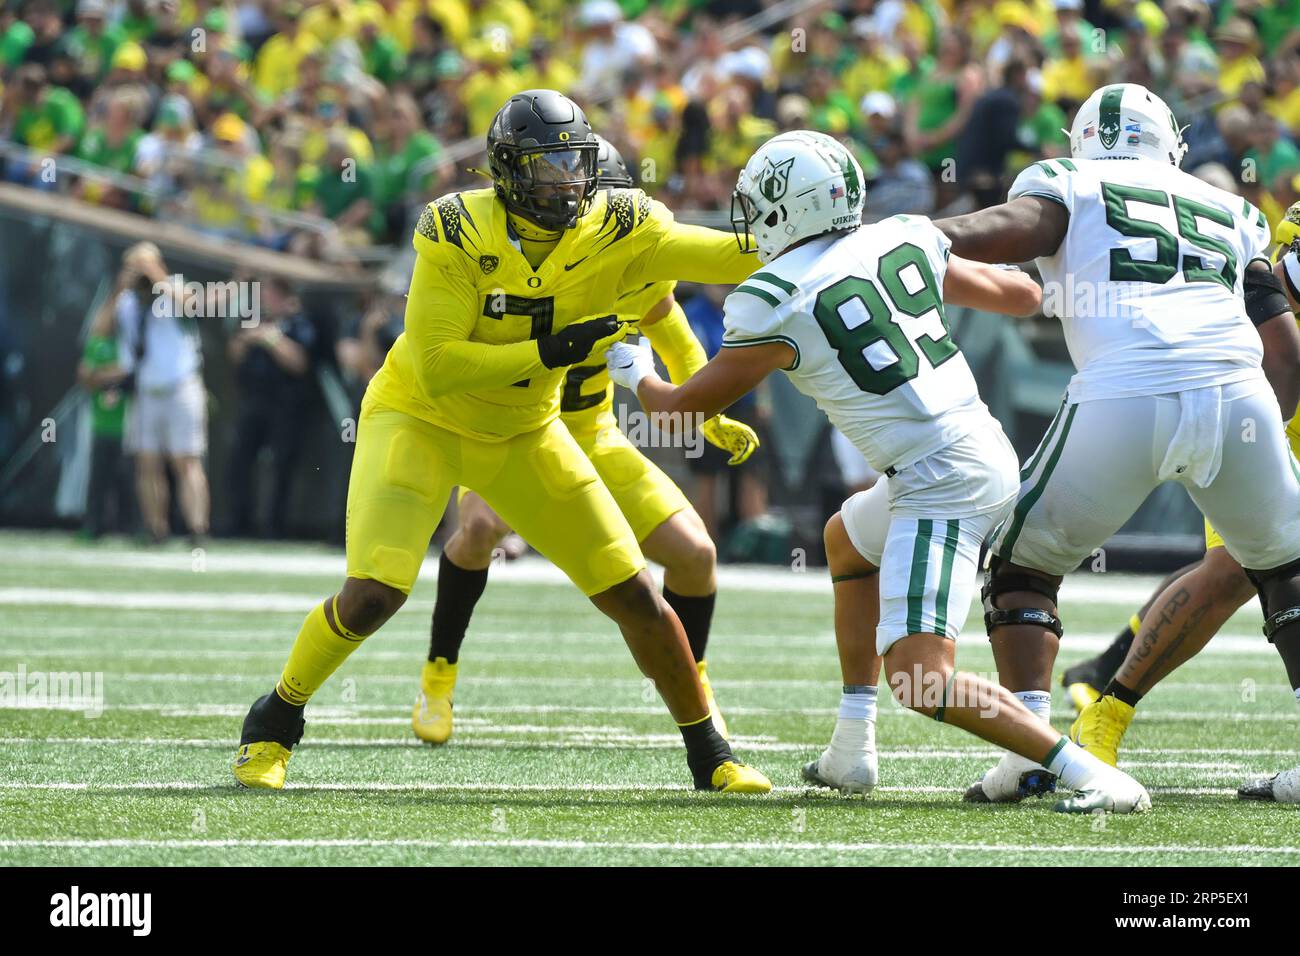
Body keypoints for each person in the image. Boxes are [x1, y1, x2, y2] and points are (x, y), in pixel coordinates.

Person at [231, 90, 771, 795]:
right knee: (372, 595)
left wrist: (826, 242)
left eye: (574, 166)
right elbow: (439, 366)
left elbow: (733, 256)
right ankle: (273, 721)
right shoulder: (454, 227)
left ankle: (711, 753)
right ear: (510, 174)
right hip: (419, 420)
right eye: (548, 169)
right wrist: (552, 350)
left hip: (524, 431)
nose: (568, 184)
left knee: (637, 596)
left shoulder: (623, 224)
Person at [608, 129, 1150, 812]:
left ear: (786, 210)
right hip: (977, 445)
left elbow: (683, 412)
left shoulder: (774, 298)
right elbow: (1017, 299)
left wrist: (636, 373)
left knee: (921, 680)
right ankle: (851, 747)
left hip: (939, 477)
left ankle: (1089, 770)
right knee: (845, 540)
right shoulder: (902, 235)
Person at [934, 83, 1300, 806]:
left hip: (1125, 391)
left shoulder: (1065, 178)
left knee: (1022, 565)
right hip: (1238, 392)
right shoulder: (1231, 208)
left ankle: (1033, 752)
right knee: (1288, 567)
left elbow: (1023, 227)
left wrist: (921, 233)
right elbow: (1283, 349)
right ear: (1168, 140)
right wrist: (1258, 447)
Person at [413, 136, 759, 745]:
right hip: (515, 433)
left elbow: (681, 348)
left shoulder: (639, 278)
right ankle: (440, 670)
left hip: (590, 434)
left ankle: (694, 682)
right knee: (478, 529)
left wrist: (709, 416)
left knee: (695, 555)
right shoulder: (524, 266)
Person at [1065, 203, 1300, 804]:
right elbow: (1288, 370)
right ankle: (1105, 715)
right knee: (1232, 572)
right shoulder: (1264, 275)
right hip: (1270, 423)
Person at [115, 242, 210, 545]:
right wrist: (121, 286)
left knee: (186, 460)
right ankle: (156, 529)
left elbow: (191, 304)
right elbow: (102, 328)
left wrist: (157, 276)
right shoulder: (127, 302)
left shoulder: (174, 288)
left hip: (180, 385)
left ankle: (198, 529)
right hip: (146, 389)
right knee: (147, 462)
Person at [224, 276, 317, 539]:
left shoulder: (299, 325)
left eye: (271, 294)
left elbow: (299, 363)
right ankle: (239, 522)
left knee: (281, 466)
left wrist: (271, 339)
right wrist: (247, 339)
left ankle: (275, 526)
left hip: (286, 405)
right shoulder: (252, 320)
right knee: (239, 461)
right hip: (253, 400)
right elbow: (234, 354)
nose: (265, 300)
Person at [77, 286, 133, 538]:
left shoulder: (131, 342)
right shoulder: (98, 343)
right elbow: (86, 376)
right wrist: (116, 373)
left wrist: (112, 373)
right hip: (102, 423)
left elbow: (134, 371)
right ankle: (93, 526)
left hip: (130, 425)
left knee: (129, 479)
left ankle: (131, 527)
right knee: (98, 478)